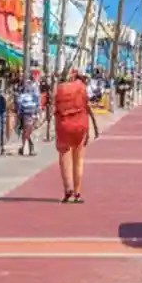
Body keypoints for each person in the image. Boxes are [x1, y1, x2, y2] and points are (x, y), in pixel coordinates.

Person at [53, 72, 97, 203]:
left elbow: (53, 106)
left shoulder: (59, 89)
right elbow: (86, 107)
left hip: (63, 126)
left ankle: (68, 189)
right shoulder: (81, 88)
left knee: (64, 157)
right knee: (78, 160)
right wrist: (92, 128)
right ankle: (77, 192)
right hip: (79, 125)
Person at [15, 78, 41, 156]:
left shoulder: (31, 96)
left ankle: (26, 148)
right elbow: (19, 107)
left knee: (28, 132)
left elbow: (37, 106)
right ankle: (26, 148)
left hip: (29, 115)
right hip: (27, 116)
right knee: (28, 132)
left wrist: (37, 114)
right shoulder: (25, 96)